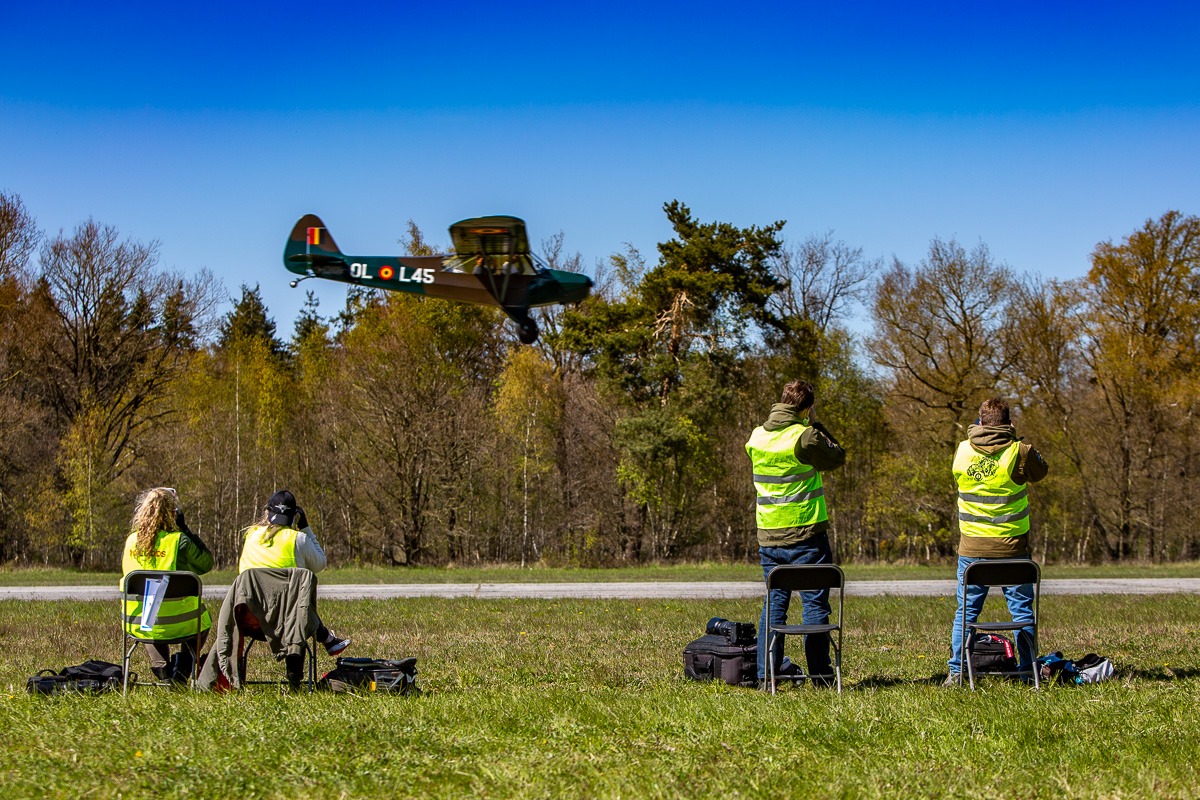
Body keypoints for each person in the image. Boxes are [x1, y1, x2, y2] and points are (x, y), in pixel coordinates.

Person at [745, 379, 846, 688]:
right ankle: (821, 677)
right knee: (815, 604)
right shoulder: (804, 436)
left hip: (769, 537)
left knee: (774, 604)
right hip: (806, 535)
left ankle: (766, 676)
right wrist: (816, 424)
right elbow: (837, 457)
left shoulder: (756, 437)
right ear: (806, 408)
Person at [945, 397, 1049, 685]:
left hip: (972, 550)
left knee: (965, 612)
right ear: (1008, 423)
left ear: (979, 421)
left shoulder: (963, 451)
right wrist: (1016, 439)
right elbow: (1042, 471)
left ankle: (956, 671)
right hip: (1013, 548)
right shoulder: (1019, 451)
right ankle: (1028, 672)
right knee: (1021, 611)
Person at [239, 490, 351, 655]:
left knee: (294, 605)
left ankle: (327, 638)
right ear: (294, 516)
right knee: (298, 607)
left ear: (267, 512)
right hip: (287, 623)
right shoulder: (298, 539)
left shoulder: (250, 535)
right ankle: (297, 677)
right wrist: (305, 527)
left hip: (250, 621)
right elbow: (320, 563)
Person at [120, 487, 213, 683]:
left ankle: (161, 669)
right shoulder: (179, 541)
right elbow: (206, 564)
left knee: (151, 617)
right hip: (181, 623)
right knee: (203, 621)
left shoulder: (131, 541)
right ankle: (184, 667)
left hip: (140, 621)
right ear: (173, 514)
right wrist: (185, 529)